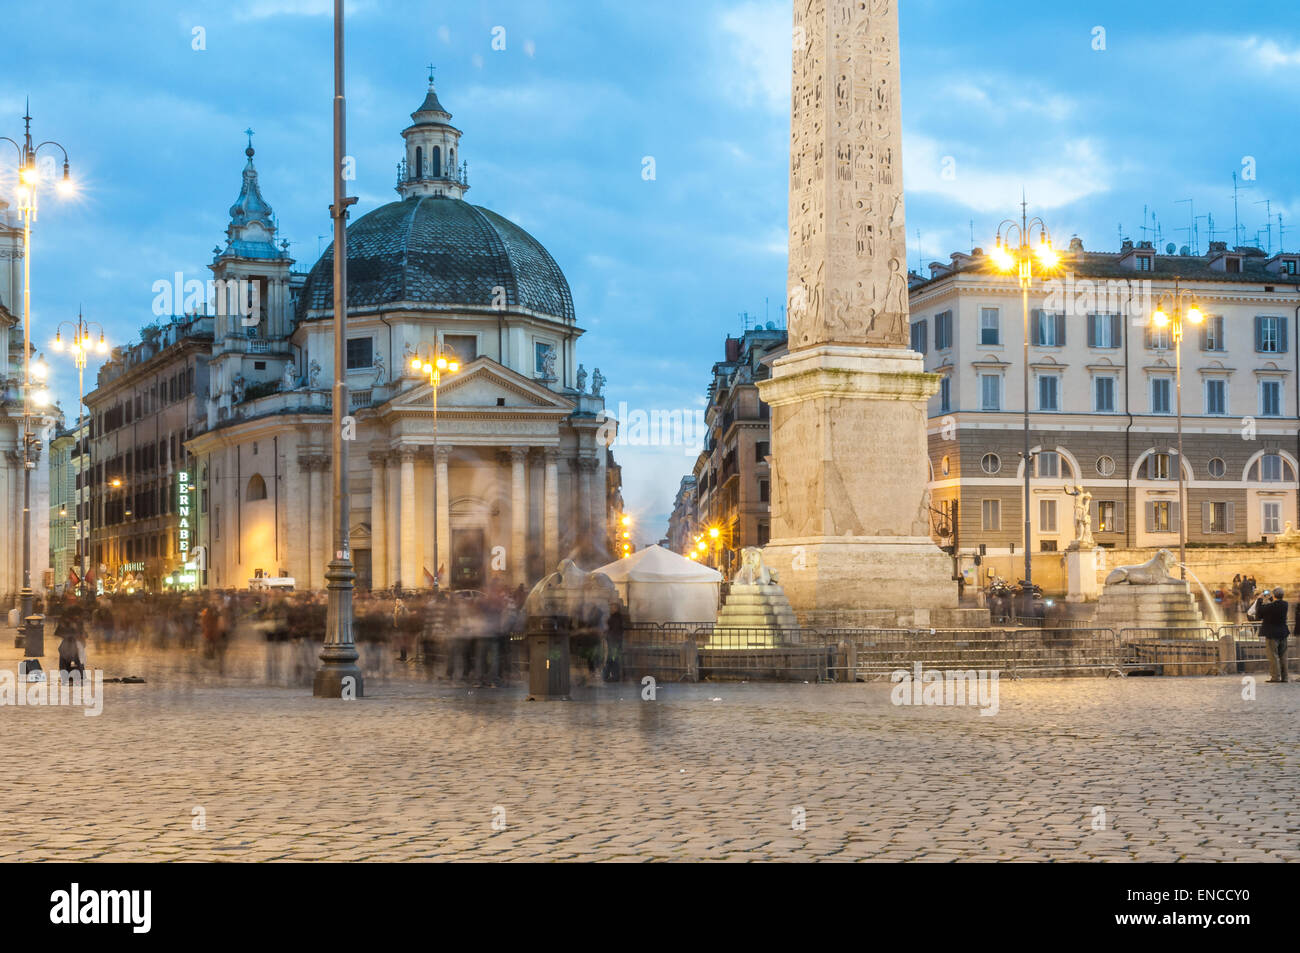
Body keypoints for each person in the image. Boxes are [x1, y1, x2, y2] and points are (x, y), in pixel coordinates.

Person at [1252, 587, 1290, 683]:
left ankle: (1275, 677)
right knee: (1283, 656)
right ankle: (1285, 677)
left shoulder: (1269, 607)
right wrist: (1271, 599)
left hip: (1272, 634)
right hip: (1283, 633)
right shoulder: (1285, 604)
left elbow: (1259, 613)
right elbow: (1276, 605)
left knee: (1273, 656)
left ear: (1274, 595)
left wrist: (1260, 599)